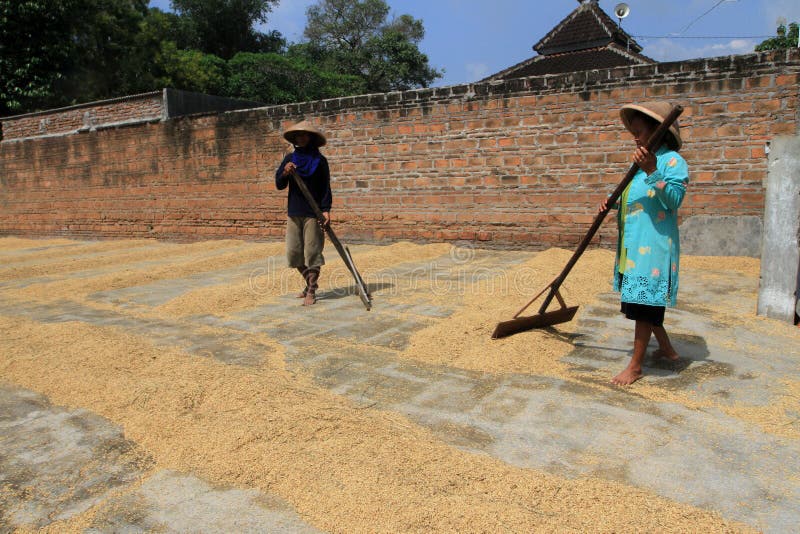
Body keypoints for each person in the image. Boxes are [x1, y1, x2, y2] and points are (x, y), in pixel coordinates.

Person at [599, 101, 689, 385]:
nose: (635, 137)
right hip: (633, 246)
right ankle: (667, 350)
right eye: (634, 132)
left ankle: (635, 367)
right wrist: (612, 205)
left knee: (644, 305)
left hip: (654, 247)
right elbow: (634, 198)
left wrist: (653, 171)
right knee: (643, 305)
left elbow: (674, 201)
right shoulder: (639, 163)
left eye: (639, 131)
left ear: (657, 131)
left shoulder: (672, 162)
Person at [275, 120, 332, 306]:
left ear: (311, 138)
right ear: (295, 139)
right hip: (295, 211)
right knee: (294, 253)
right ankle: (310, 284)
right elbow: (279, 184)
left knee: (313, 253)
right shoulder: (290, 159)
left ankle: (311, 291)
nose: (302, 138)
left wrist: (326, 211)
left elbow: (325, 187)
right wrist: (285, 172)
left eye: (305, 135)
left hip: (313, 213)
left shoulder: (320, 161)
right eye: (299, 135)